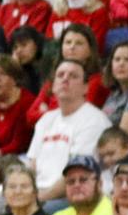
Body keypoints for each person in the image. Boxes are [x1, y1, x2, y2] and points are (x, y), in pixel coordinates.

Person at [27, 62, 113, 206]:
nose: (65, 79)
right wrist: (26, 193)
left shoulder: (94, 120)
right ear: (53, 86)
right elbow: (32, 166)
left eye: (73, 76)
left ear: (85, 88)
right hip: (40, 194)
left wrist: (38, 200)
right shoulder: (46, 119)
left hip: (75, 196)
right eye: (60, 75)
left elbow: (76, 175)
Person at [0, 55, 41, 177]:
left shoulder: (27, 102)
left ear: (14, 79)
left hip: (15, 156)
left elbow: (18, 144)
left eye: (2, 74)